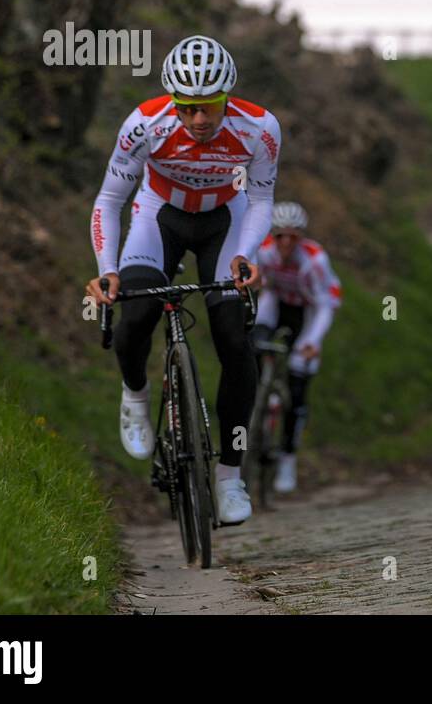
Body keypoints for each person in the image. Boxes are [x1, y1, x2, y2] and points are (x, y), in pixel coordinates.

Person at [85, 35, 281, 525]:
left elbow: (259, 200)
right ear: (174, 102)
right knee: (136, 313)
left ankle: (230, 478)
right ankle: (134, 394)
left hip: (226, 220)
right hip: (159, 216)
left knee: (236, 341)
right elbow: (109, 200)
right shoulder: (144, 123)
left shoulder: (259, 128)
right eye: (188, 107)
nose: (198, 120)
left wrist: (243, 256)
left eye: (209, 107)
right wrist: (107, 268)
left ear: (226, 98)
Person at [251, 202, 343, 493]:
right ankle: (259, 401)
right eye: (280, 236)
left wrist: (312, 343)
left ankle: (288, 458)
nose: (286, 243)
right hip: (277, 302)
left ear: (301, 237)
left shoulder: (314, 260)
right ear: (273, 236)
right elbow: (259, 287)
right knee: (252, 345)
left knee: (298, 378)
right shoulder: (263, 251)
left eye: (293, 236)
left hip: (310, 311)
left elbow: (325, 306)